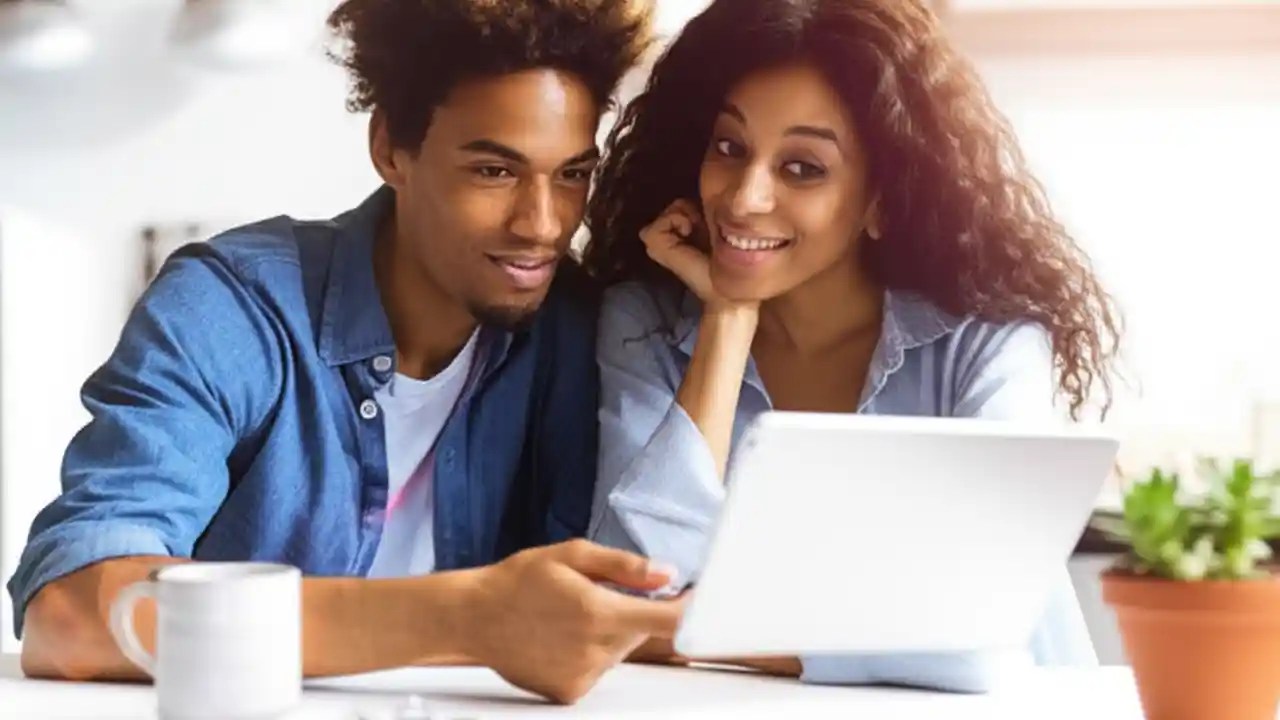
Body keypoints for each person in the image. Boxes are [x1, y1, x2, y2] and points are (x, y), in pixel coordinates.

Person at [9, 0, 678, 705]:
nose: (543, 225)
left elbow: (626, 605)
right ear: (391, 147)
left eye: (572, 174)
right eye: (494, 172)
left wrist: (729, 310)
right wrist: (466, 615)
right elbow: (71, 615)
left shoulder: (572, 326)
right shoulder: (229, 308)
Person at [584, 0, 1121, 692]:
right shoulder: (646, 320)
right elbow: (627, 587)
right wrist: (727, 318)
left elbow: (976, 639)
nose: (744, 199)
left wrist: (697, 635)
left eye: (803, 168)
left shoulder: (989, 346)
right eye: (729, 147)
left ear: (882, 200)